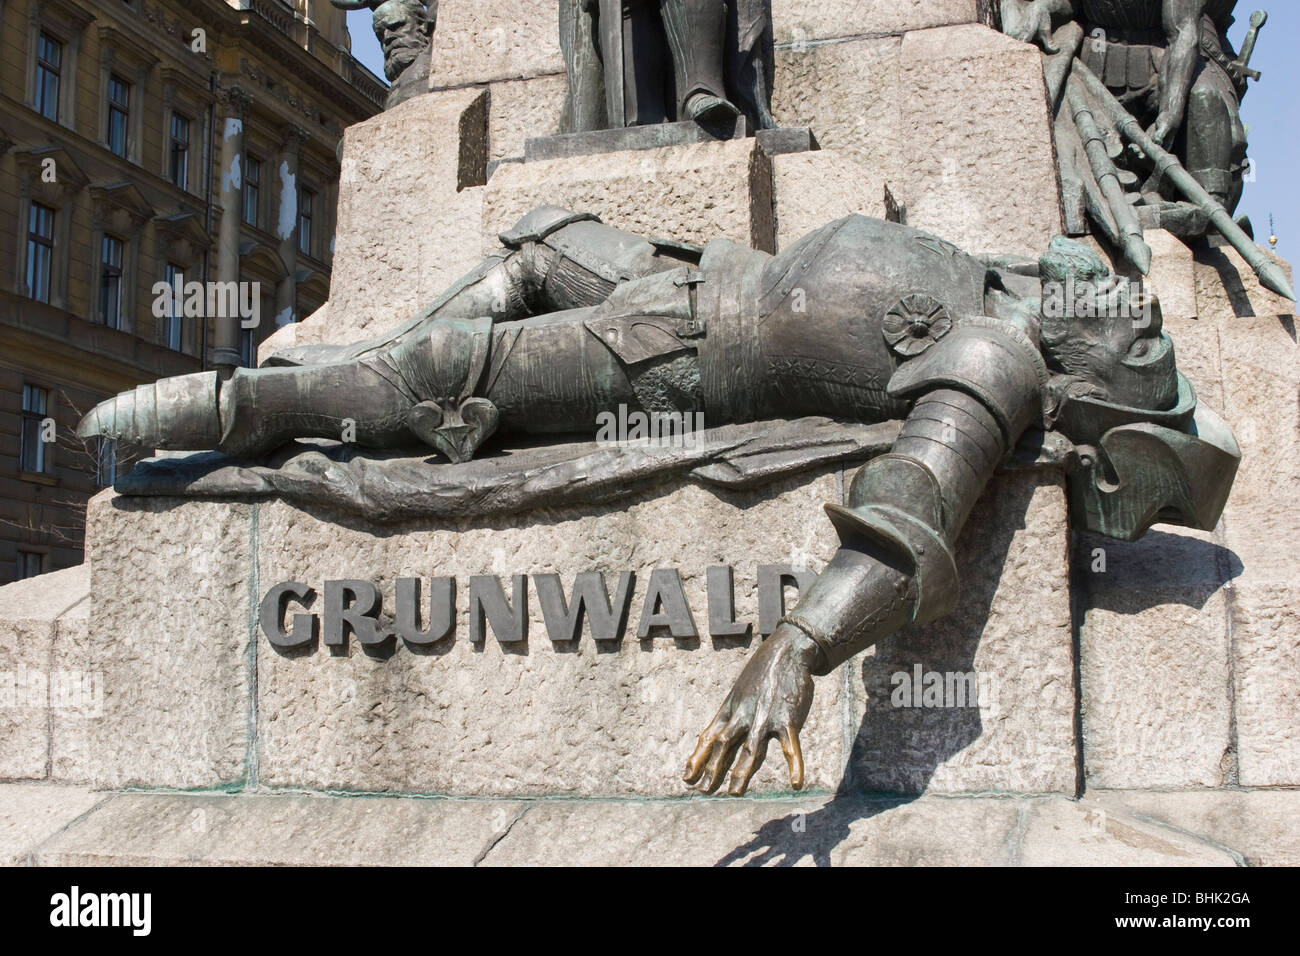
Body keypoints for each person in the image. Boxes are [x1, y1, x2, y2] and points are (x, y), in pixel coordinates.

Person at [79, 206, 1238, 795]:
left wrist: (797, 640)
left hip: (661, 360)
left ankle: (252, 406)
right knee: (530, 246)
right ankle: (381, 360)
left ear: (1086, 381)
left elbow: (911, 506)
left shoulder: (994, 362)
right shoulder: (1012, 282)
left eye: (1140, 337)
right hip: (667, 270)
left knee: (418, 383)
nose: (1134, 303)